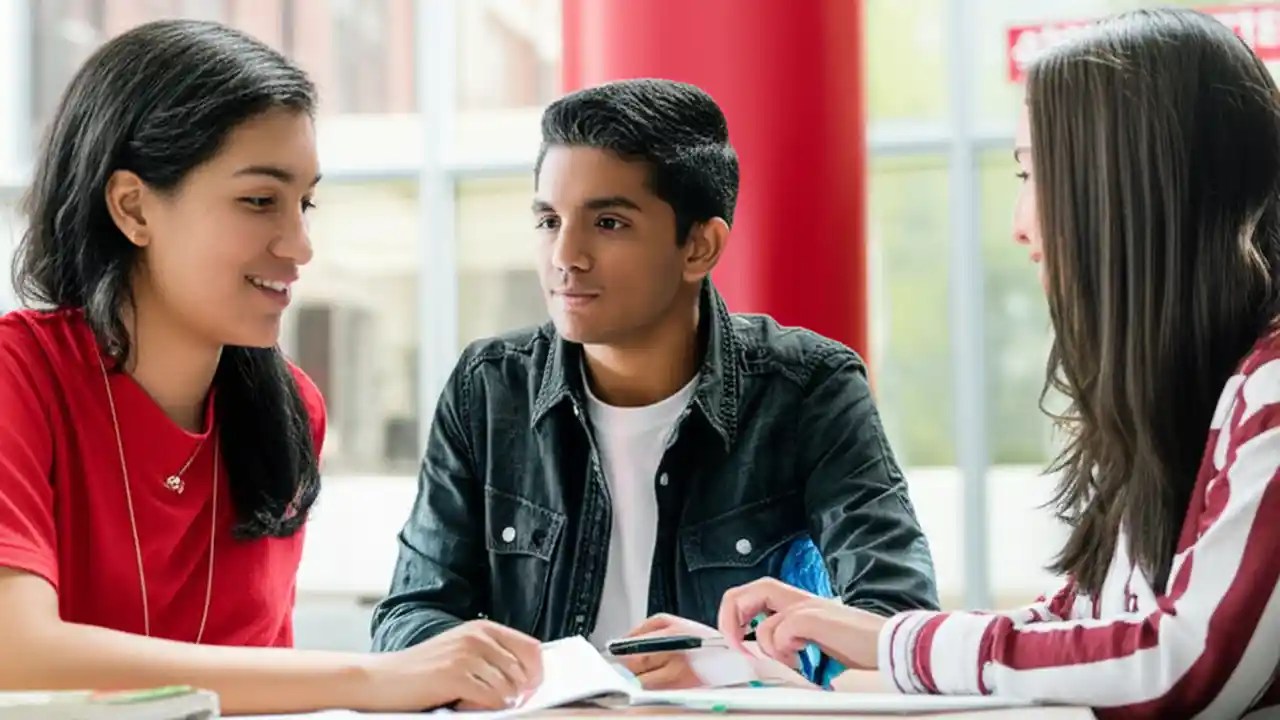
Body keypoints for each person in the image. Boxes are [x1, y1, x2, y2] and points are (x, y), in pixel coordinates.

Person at [717, 8, 1280, 717]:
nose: (1021, 222)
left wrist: (891, 642)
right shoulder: (1186, 393)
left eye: (1034, 173)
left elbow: (1183, 666)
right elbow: (1077, 631)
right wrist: (760, 661)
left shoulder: (1272, 388)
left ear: (1129, 187)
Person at [0, 19, 541, 715]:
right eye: (260, 201)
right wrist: (376, 679)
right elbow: (16, 655)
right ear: (133, 207)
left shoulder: (287, 409)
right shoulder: (20, 375)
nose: (300, 245)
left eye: (304, 202)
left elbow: (257, 688)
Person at [371, 77, 938, 689]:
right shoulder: (488, 390)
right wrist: (497, 669)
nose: (566, 255)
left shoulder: (808, 390)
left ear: (699, 246)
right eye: (548, 219)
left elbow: (898, 622)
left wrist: (731, 667)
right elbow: (409, 615)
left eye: (608, 222)